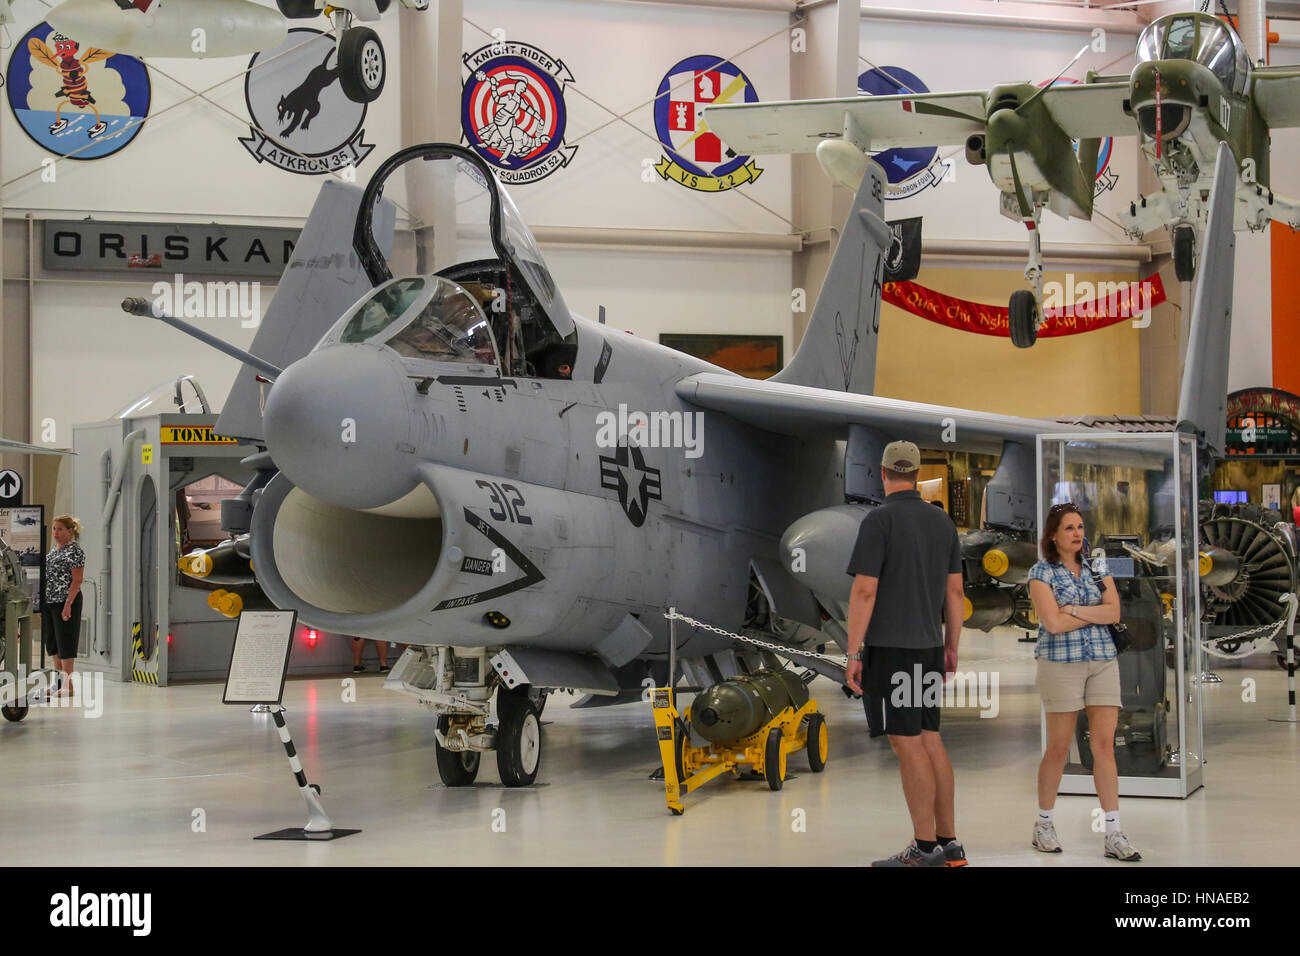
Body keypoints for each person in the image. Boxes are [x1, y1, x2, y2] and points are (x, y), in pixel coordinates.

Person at [845, 441, 967, 867]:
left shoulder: (878, 521)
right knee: (930, 738)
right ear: (917, 473)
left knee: (907, 743)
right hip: (929, 647)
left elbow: (864, 589)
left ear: (882, 474)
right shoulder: (942, 523)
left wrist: (853, 651)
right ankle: (949, 843)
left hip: (892, 650)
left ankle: (924, 847)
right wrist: (951, 645)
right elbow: (955, 592)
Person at [1027, 502, 1141, 862]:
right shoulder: (1040, 573)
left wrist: (1073, 610)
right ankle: (1044, 823)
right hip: (1061, 664)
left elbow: (1114, 612)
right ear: (1053, 535)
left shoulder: (1098, 566)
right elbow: (1052, 624)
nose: (1077, 534)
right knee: (1059, 746)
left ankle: (1113, 831)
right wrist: (1089, 615)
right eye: (1069, 528)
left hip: (1103, 662)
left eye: (1080, 527)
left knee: (1104, 746)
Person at [42, 515, 85, 698]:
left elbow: (77, 580)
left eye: (60, 529)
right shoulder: (54, 550)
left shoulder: (74, 551)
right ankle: (59, 683)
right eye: (54, 529)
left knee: (65, 641)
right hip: (50, 601)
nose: (56, 533)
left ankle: (69, 685)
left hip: (66, 601)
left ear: (70, 531)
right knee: (53, 643)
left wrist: (68, 604)